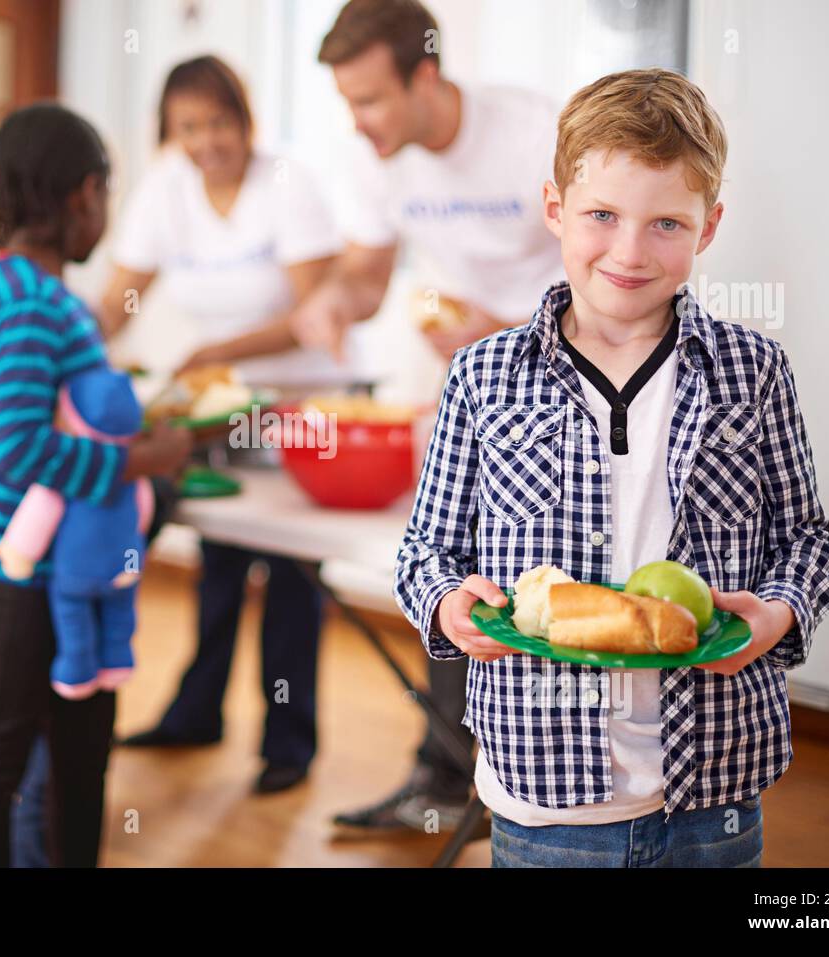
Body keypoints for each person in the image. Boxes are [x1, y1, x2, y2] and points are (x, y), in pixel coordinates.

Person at [397, 68, 829, 867]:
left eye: (666, 223)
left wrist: (776, 614)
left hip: (713, 792)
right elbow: (423, 554)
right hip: (543, 798)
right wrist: (448, 606)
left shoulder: (755, 373)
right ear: (554, 210)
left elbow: (809, 543)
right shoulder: (481, 376)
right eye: (602, 215)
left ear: (708, 227)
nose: (630, 252)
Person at [293, 0, 565, 830]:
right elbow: (368, 274)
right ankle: (449, 778)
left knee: (534, 591)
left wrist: (508, 330)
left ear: (425, 74)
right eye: (347, 102)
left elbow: (608, 273)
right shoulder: (378, 158)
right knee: (445, 572)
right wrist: (334, 301)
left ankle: (521, 787)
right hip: (467, 387)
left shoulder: (533, 135)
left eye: (371, 100)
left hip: (562, 389)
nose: (359, 122)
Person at [0, 103, 191, 868]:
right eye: (107, 196)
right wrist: (141, 461)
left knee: (81, 753)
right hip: (29, 577)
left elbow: (46, 417)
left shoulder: (24, 290)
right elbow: (18, 445)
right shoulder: (34, 304)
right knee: (2, 753)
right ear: (83, 195)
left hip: (61, 572)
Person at [96, 55, 343, 793]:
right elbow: (117, 299)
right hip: (221, 409)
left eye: (218, 123)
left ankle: (287, 744)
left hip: (302, 405)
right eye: (188, 127)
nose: (206, 140)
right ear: (170, 133)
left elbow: (310, 317)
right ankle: (195, 713)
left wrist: (213, 353)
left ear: (245, 120)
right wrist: (62, 345)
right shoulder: (165, 192)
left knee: (293, 574)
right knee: (220, 561)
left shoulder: (287, 184)